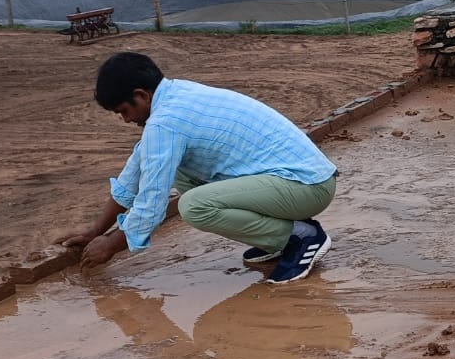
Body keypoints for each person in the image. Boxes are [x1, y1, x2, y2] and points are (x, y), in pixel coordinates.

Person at [62, 52, 338, 284]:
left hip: (306, 186)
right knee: (180, 169)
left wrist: (111, 245)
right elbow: (134, 174)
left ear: (141, 95)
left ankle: (300, 237)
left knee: (194, 206)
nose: (125, 120)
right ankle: (279, 237)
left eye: (124, 111)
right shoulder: (175, 95)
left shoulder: (165, 121)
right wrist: (95, 232)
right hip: (297, 180)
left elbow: (152, 202)